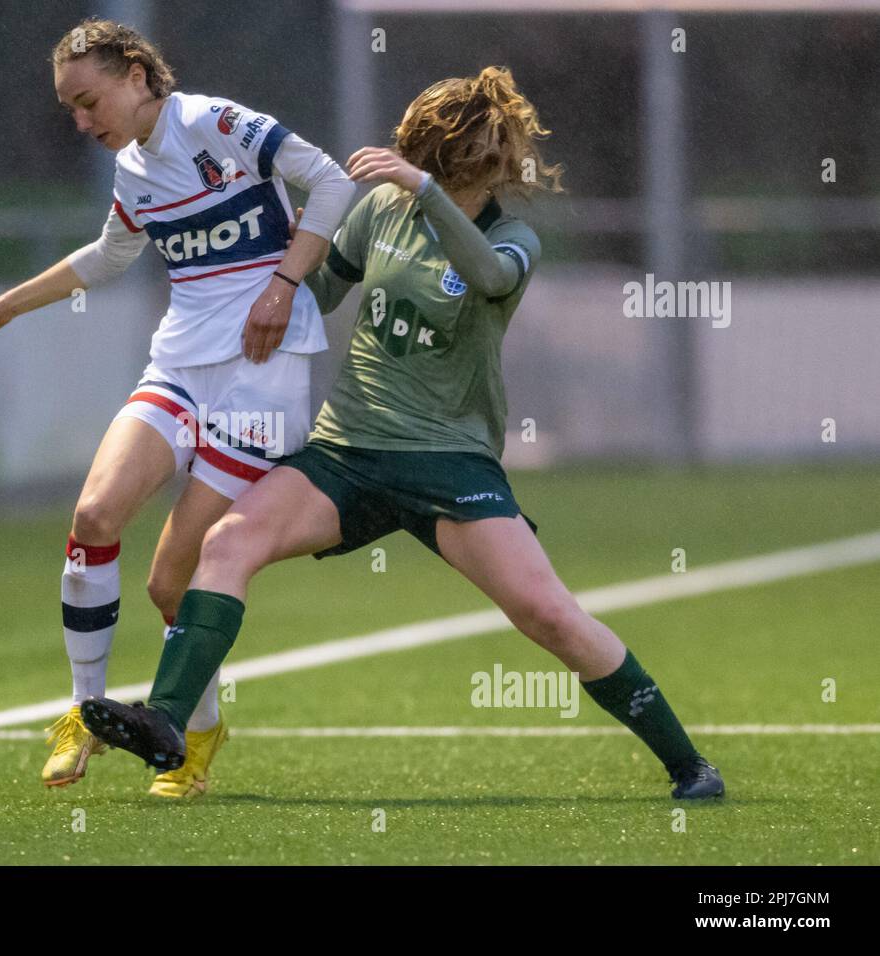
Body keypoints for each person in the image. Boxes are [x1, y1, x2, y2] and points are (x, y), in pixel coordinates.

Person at [80, 66, 725, 801]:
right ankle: (167, 722)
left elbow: (487, 278)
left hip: (448, 463)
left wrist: (422, 192)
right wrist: (252, 280)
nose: (471, 162)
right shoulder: (381, 210)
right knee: (229, 542)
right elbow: (312, 294)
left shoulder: (510, 238)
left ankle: (689, 764)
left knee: (546, 614)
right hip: (345, 452)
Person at [0, 18, 356, 797]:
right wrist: (3, 307)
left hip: (261, 377)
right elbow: (107, 256)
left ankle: (197, 736)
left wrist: (283, 283)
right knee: (95, 517)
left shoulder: (218, 125)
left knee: (172, 583)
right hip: (179, 368)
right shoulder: (133, 170)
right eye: (70, 108)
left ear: (136, 74)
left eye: (88, 101)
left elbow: (334, 182)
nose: (82, 122)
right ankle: (82, 711)